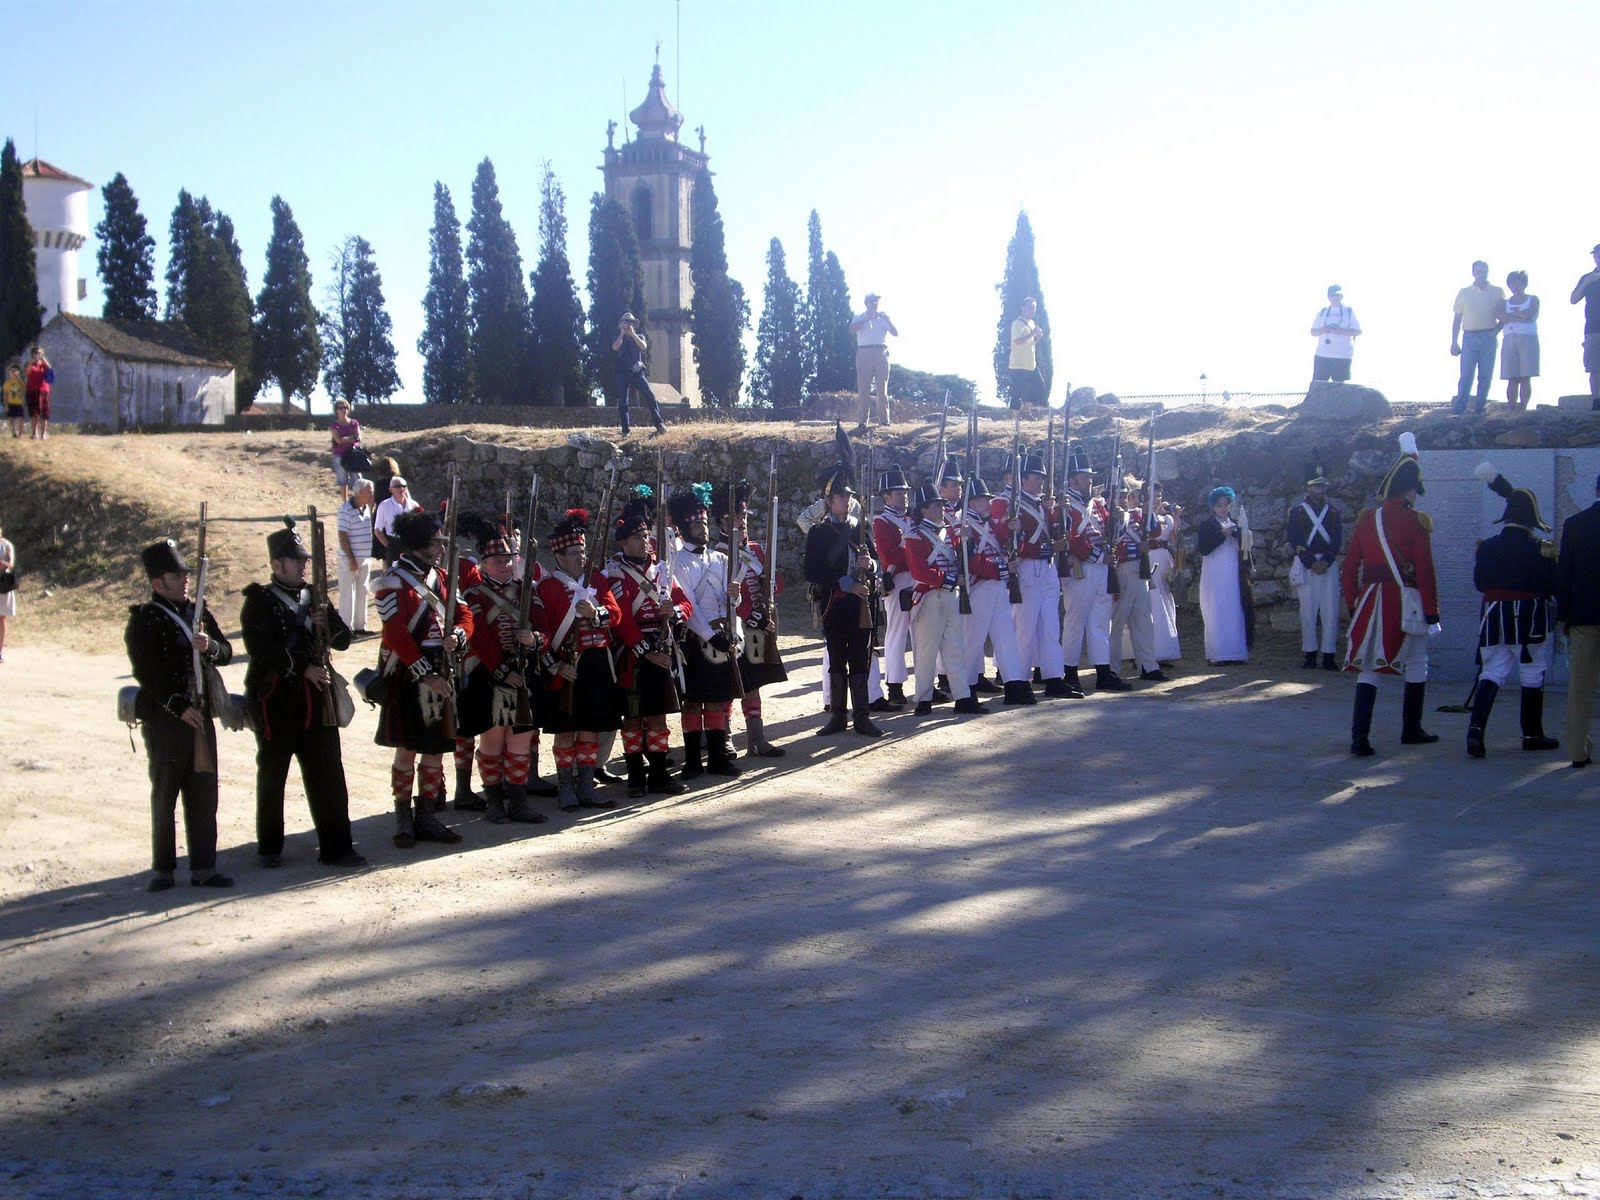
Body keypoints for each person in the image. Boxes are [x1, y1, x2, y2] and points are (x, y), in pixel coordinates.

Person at [238, 520, 365, 869]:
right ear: (277, 564)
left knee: (328, 774)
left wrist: (326, 623)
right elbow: (261, 649)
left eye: (305, 560)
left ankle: (337, 846)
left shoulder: (316, 595)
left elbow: (342, 639)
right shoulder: (259, 601)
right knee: (273, 774)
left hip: (318, 698)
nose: (303, 565)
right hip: (277, 700)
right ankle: (269, 847)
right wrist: (301, 668)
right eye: (296, 560)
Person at [125, 538, 233, 892]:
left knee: (204, 792)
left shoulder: (197, 611)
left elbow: (226, 652)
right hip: (168, 719)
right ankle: (163, 869)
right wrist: (178, 705)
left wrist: (210, 646)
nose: (185, 579)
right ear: (158, 583)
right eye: (177, 574)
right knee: (166, 792)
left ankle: (204, 866)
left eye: (186, 573)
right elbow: (147, 672)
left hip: (201, 713)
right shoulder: (145, 619)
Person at [371, 510, 471, 848]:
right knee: (406, 750)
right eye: (434, 542)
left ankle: (427, 816)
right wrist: (423, 672)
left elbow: (464, 614)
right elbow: (395, 634)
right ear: (417, 545)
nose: (441, 548)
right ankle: (403, 818)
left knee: (435, 751)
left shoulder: (443, 576)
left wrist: (458, 634)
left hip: (440, 668)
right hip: (409, 672)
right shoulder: (392, 580)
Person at [1342, 433, 1441, 756]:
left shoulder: (1367, 520)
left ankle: (1360, 738)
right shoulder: (1416, 522)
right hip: (1405, 601)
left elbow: (1350, 567)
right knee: (1417, 663)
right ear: (1410, 490)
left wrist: (1355, 601)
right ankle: (1411, 729)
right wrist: (1432, 612)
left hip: (1370, 600)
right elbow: (1425, 571)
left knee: (1369, 669)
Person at [458, 517, 551, 822]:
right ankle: (494, 800)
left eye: (509, 560)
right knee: (493, 741)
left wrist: (535, 639)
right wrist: (499, 670)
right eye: (498, 561)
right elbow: (479, 640)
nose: (506, 566)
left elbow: (544, 628)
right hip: (490, 676)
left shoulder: (527, 590)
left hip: (521, 673)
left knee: (520, 741)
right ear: (483, 563)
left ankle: (518, 800)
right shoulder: (475, 595)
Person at [1464, 464, 1559, 758]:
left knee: (1492, 672)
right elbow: (1550, 585)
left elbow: (1481, 584)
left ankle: (1475, 733)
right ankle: (1531, 734)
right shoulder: (1541, 548)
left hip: (1494, 619)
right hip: (1529, 619)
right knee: (1532, 672)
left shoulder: (1488, 547)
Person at [538, 508, 624, 811]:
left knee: (590, 728)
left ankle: (586, 787)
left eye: (582, 551)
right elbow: (543, 631)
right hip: (567, 664)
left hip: (596, 662)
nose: (580, 557)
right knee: (565, 731)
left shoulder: (597, 581)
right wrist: (557, 665)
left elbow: (615, 614)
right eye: (573, 552)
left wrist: (595, 613)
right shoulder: (547, 588)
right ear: (559, 556)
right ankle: (566, 788)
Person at [608, 496, 691, 797]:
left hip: (662, 647)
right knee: (632, 719)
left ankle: (658, 774)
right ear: (622, 542)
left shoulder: (662, 570)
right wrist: (647, 651)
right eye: (637, 537)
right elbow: (621, 621)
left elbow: (684, 602)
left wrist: (676, 611)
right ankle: (634, 777)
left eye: (646, 535)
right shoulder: (614, 574)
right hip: (633, 653)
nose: (645, 541)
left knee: (657, 717)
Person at [805, 457, 886, 735]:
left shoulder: (860, 526)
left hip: (861, 603)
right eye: (841, 495)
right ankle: (838, 716)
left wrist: (870, 566)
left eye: (849, 495)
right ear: (829, 500)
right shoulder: (817, 532)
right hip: (834, 604)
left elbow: (877, 562)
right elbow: (812, 571)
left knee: (860, 658)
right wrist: (845, 584)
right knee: (837, 658)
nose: (847, 499)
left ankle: (862, 717)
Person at [668, 485, 744, 777]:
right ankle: (692, 761)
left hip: (721, 637)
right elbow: (688, 605)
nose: (703, 530)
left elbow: (731, 602)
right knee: (693, 702)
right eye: (697, 524)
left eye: (704, 523)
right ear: (685, 528)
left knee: (715, 700)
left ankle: (717, 759)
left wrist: (734, 597)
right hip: (697, 638)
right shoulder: (678, 562)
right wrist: (711, 636)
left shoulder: (720, 559)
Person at [711, 484, 789, 759]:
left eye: (743, 517)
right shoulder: (718, 553)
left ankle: (756, 738)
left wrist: (768, 578)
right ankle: (726, 738)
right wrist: (747, 613)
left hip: (756, 626)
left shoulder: (754, 549)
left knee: (753, 683)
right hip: (734, 626)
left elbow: (776, 585)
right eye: (736, 517)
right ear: (723, 519)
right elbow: (722, 594)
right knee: (732, 683)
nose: (742, 522)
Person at [902, 483, 982, 716]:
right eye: (936, 506)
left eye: (941, 505)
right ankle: (924, 699)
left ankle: (963, 697)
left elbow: (964, 558)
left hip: (950, 595)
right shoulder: (914, 537)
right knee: (927, 651)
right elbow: (919, 572)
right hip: (930, 596)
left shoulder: (950, 532)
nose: (941, 509)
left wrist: (968, 542)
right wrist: (950, 580)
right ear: (924, 510)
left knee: (955, 647)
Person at [995, 450, 1070, 697]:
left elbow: (1051, 530)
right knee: (1024, 627)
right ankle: (1019, 679)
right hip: (1027, 567)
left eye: (1042, 478)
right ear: (1022, 479)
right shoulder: (1007, 504)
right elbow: (1007, 542)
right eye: (1036, 478)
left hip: (1047, 568)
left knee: (1050, 626)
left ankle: (1054, 678)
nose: (1041, 482)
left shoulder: (1039, 504)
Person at [959, 475, 1036, 704]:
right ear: (972, 502)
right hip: (979, 587)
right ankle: (966, 690)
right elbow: (969, 561)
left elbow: (1010, 545)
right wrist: (1002, 569)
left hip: (998, 587)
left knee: (1006, 637)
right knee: (972, 641)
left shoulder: (991, 523)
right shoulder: (961, 524)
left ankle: (1014, 684)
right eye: (984, 500)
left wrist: (1016, 530)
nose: (989, 504)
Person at [1061, 447, 1129, 694]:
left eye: (1090, 477)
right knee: (1075, 622)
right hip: (1082, 569)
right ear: (1072, 480)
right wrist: (1101, 556)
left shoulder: (1098, 504)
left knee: (1101, 622)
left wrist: (1120, 520)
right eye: (1085, 477)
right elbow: (1072, 539)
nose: (1090, 481)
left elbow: (1110, 534)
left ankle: (1103, 671)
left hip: (1101, 568)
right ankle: (1069, 672)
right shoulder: (1067, 505)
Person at [1556, 471, 1600, 767]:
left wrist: (1563, 617)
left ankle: (1577, 752)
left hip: (1583, 617)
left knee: (1580, 689)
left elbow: (1564, 577)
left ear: (1596, 488)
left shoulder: (1575, 525)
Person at [1108, 481, 1168, 683]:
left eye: (1130, 495)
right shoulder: (1110, 517)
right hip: (1122, 569)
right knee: (1117, 622)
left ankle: (1148, 666)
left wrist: (1148, 508)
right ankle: (1111, 668)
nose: (1127, 499)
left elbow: (1156, 531)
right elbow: (1112, 542)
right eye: (1125, 495)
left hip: (1140, 569)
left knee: (1144, 621)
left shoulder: (1137, 516)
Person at [1286, 465, 1343, 670]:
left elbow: (1336, 541)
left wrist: (1326, 561)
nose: (1320, 490)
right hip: (1307, 563)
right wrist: (1310, 561)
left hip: (1327, 564)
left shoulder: (1334, 512)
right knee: (1307, 611)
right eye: (1316, 486)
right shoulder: (1297, 512)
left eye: (1322, 486)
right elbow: (1295, 539)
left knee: (1330, 609)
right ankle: (1310, 654)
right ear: (1308, 488)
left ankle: (1329, 655)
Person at [872, 466, 916, 709]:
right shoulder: (881, 521)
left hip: (918, 579)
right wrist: (916, 552)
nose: (904, 496)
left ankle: (927, 684)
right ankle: (895, 685)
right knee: (897, 634)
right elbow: (890, 555)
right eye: (899, 493)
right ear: (887, 497)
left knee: (923, 632)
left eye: (905, 492)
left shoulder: (912, 519)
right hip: (898, 580)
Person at [1196, 486, 1250, 665]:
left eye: (1226, 505)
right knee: (1217, 607)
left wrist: (1243, 535)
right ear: (1213, 507)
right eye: (1219, 505)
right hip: (1215, 571)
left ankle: (1236, 651)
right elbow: (1204, 548)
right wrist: (1221, 535)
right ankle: (1218, 653)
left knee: (1234, 606)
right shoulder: (1208, 525)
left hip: (1232, 571)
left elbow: (1244, 547)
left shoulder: (1236, 523)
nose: (1223, 509)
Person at [1451, 261, 1505, 414]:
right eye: (1478, 271)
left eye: (1484, 271)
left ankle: (1479, 408)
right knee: (1466, 375)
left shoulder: (1497, 291)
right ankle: (1460, 408)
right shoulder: (1464, 292)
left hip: (1488, 335)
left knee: (1485, 375)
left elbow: (1504, 314)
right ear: (1473, 273)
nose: (1481, 274)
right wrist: (1454, 341)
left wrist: (1495, 331)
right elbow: (1457, 318)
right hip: (1469, 336)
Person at [848, 292, 898, 434]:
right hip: (864, 352)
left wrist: (887, 320)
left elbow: (895, 333)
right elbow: (851, 330)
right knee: (863, 388)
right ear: (866, 303)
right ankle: (863, 422)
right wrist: (866, 318)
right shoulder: (859, 317)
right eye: (872, 301)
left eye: (876, 301)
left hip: (881, 351)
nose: (874, 303)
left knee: (882, 387)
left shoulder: (883, 318)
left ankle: (884, 421)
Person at [613, 312, 667, 438]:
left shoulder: (639, 336)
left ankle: (659, 424)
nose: (627, 324)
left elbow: (643, 347)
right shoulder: (618, 338)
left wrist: (632, 334)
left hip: (637, 373)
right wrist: (622, 333)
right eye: (625, 322)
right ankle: (625, 430)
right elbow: (615, 347)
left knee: (650, 396)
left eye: (629, 322)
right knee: (623, 402)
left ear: (634, 324)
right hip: (622, 373)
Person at [1146, 482, 1182, 662]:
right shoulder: (1144, 516)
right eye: (1153, 496)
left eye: (1159, 496)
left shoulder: (1166, 518)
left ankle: (1167, 645)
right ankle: (1154, 649)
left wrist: (1175, 519)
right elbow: (1150, 534)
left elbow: (1173, 538)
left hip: (1165, 557)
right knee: (1155, 600)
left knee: (1167, 599)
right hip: (1150, 556)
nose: (1157, 499)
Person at [336, 477, 376, 636]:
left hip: (365, 556)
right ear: (359, 492)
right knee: (348, 593)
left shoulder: (366, 507)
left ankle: (360, 625)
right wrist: (351, 558)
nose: (372, 494)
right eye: (369, 491)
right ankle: (346, 628)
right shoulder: (346, 509)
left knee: (362, 590)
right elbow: (342, 535)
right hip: (350, 559)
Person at [1497, 271, 1539, 411]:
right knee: (1512, 377)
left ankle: (1523, 408)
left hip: (1528, 337)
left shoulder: (1533, 299)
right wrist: (1518, 315)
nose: (1515, 286)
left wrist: (1511, 315)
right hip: (1509, 338)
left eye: (1518, 282)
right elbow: (1501, 316)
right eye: (1512, 283)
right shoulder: (1505, 302)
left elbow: (1529, 314)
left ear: (1524, 283)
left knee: (1525, 376)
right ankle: (1512, 408)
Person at [1568, 243, 1600, 405]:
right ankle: (1596, 401)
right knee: (1594, 367)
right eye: (1596, 255)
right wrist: (1586, 283)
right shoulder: (1587, 278)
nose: (1598, 257)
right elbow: (1573, 299)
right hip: (1593, 328)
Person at [1310, 284, 1362, 382]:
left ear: (1341, 296)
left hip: (1343, 355)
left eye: (1338, 295)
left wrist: (1341, 331)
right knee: (1319, 385)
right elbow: (1313, 332)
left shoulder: (1348, 311)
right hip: (1322, 355)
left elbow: (1358, 331)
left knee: (1339, 387)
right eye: (1332, 295)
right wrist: (1324, 329)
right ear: (1328, 297)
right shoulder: (1322, 312)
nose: (1335, 298)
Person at [1007, 297, 1047, 408]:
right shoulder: (1017, 323)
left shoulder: (1032, 323)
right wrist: (1031, 334)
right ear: (1023, 308)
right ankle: (1014, 420)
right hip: (1019, 365)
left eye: (1034, 308)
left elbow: (1030, 342)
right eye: (1030, 308)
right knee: (1016, 393)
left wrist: (1037, 337)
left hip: (1031, 364)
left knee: (1039, 387)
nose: (1032, 311)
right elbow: (1016, 342)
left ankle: (1027, 411)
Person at [373, 476, 421, 566]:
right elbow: (377, 530)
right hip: (394, 544)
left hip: (410, 545)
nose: (401, 488)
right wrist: (389, 546)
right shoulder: (384, 505)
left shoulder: (414, 505)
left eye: (404, 486)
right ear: (391, 489)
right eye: (397, 486)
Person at [329, 400, 363, 502]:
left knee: (357, 480)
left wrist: (345, 439)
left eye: (345, 407)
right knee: (343, 481)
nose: (343, 410)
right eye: (340, 408)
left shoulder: (354, 423)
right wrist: (350, 438)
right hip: (340, 455)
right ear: (336, 410)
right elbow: (338, 440)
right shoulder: (334, 425)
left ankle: (358, 502)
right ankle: (345, 503)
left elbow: (359, 437)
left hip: (353, 454)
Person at [23, 345, 53, 440]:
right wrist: (31, 362)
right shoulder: (29, 364)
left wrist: (44, 361)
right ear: (32, 355)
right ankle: (34, 433)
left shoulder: (44, 364)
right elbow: (26, 373)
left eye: (40, 353)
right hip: (32, 391)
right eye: (36, 353)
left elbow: (50, 373)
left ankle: (43, 433)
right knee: (34, 413)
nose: (38, 355)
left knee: (44, 413)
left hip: (44, 391)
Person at [0, 523, 12, 663]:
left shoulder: (6, 545)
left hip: (2, 582)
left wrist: (4, 564)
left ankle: (0, 651)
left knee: (1, 618)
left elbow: (11, 562)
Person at [3, 362, 23, 438]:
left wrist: (18, 379)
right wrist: (6, 405)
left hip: (19, 403)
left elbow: (23, 388)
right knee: (11, 418)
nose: (14, 373)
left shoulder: (20, 382)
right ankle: (13, 432)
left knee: (20, 418)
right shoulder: (7, 383)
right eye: (12, 371)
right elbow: (5, 394)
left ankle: (20, 434)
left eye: (15, 371)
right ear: (9, 372)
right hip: (10, 403)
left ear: (18, 372)